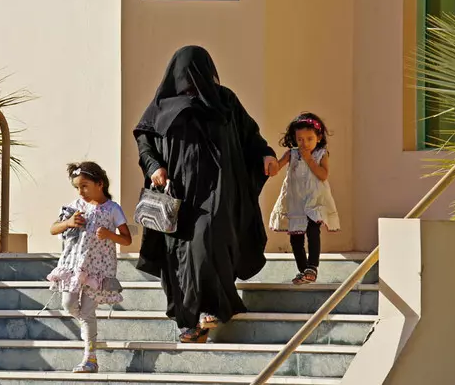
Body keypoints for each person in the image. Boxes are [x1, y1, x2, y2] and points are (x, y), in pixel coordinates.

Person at [134, 45, 278, 343]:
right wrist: (153, 167)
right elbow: (145, 141)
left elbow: (250, 134)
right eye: (187, 72)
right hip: (179, 193)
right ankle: (193, 322)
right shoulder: (162, 105)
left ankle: (207, 310)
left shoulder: (224, 100)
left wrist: (265, 154)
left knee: (207, 240)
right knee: (180, 255)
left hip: (219, 191)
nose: (192, 78)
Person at [47, 161, 132, 373]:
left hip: (99, 269)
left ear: (99, 184)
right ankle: (89, 334)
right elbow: (53, 229)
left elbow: (127, 239)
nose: (80, 191)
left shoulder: (113, 209)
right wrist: (68, 223)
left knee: (86, 311)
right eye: (77, 187)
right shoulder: (76, 206)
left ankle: (90, 357)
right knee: (69, 305)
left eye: (84, 186)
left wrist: (110, 235)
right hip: (75, 267)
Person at [272, 113, 340, 285]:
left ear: (318, 137)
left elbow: (323, 175)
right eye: (300, 139)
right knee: (295, 238)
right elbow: (277, 167)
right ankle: (303, 271)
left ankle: (312, 267)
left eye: (309, 138)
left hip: (314, 200)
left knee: (312, 230)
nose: (304, 143)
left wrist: (309, 159)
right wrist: (271, 164)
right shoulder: (292, 154)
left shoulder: (321, 154)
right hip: (296, 202)